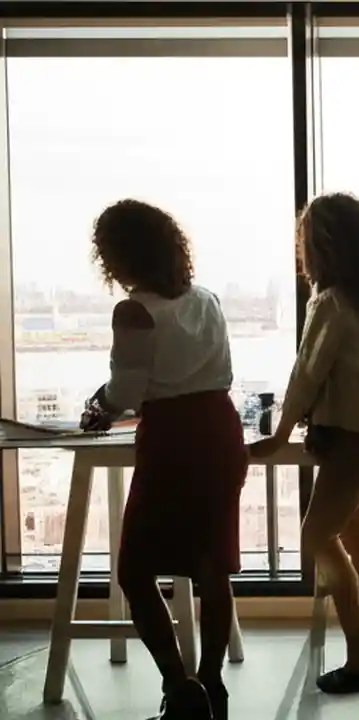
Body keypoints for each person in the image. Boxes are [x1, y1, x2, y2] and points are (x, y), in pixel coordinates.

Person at [78, 200, 247, 720]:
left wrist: (98, 408)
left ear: (118, 257)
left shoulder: (134, 310)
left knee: (134, 570)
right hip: (220, 430)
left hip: (173, 441)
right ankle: (212, 684)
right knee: (212, 568)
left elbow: (128, 391)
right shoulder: (207, 299)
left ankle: (180, 690)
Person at [249, 193, 359, 695]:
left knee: (318, 538)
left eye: (307, 241)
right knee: (355, 532)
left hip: (357, 432)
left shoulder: (330, 301)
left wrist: (277, 433)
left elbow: (308, 372)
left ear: (320, 247)